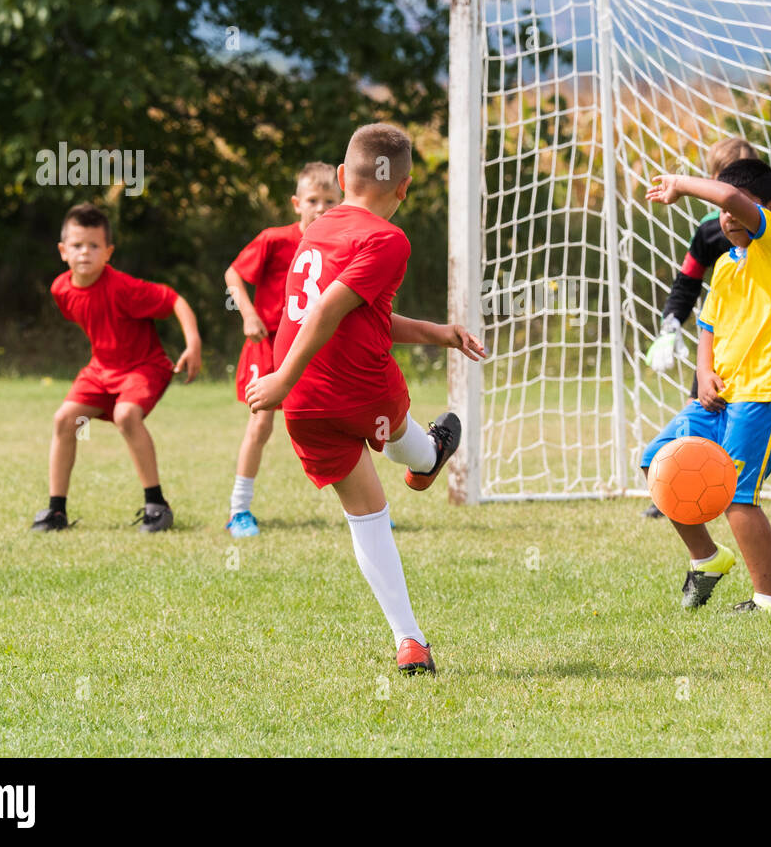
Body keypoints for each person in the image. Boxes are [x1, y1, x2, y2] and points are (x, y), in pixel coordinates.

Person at [246, 123, 485, 674]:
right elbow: (328, 309)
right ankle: (429, 457)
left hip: (305, 400)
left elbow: (350, 312)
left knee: (369, 517)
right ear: (403, 189)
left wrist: (438, 331)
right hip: (354, 385)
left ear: (337, 178)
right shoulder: (388, 238)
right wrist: (279, 377)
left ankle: (411, 641)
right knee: (411, 449)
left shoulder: (318, 226)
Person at [642, 158, 771, 613]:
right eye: (722, 212)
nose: (727, 217)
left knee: (737, 496)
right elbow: (708, 330)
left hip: (763, 394)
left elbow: (730, 198)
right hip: (718, 396)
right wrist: (705, 374)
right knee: (656, 462)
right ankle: (707, 558)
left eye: (739, 208)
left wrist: (680, 184)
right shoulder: (726, 268)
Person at [36, 203, 201, 533]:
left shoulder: (123, 288)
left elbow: (174, 300)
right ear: (63, 251)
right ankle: (56, 512)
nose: (85, 253)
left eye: (94, 246)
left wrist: (193, 343)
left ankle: (157, 506)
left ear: (108, 252)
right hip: (102, 369)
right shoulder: (61, 289)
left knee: (126, 416)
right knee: (65, 420)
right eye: (77, 245)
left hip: (145, 367)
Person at [223, 163, 341, 537]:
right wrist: (248, 314)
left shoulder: (339, 243)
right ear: (296, 203)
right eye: (312, 200)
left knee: (338, 422)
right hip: (268, 344)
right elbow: (233, 274)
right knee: (261, 423)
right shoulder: (275, 239)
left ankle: (366, 509)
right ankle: (239, 511)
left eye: (329, 201)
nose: (321, 208)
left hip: (311, 347)